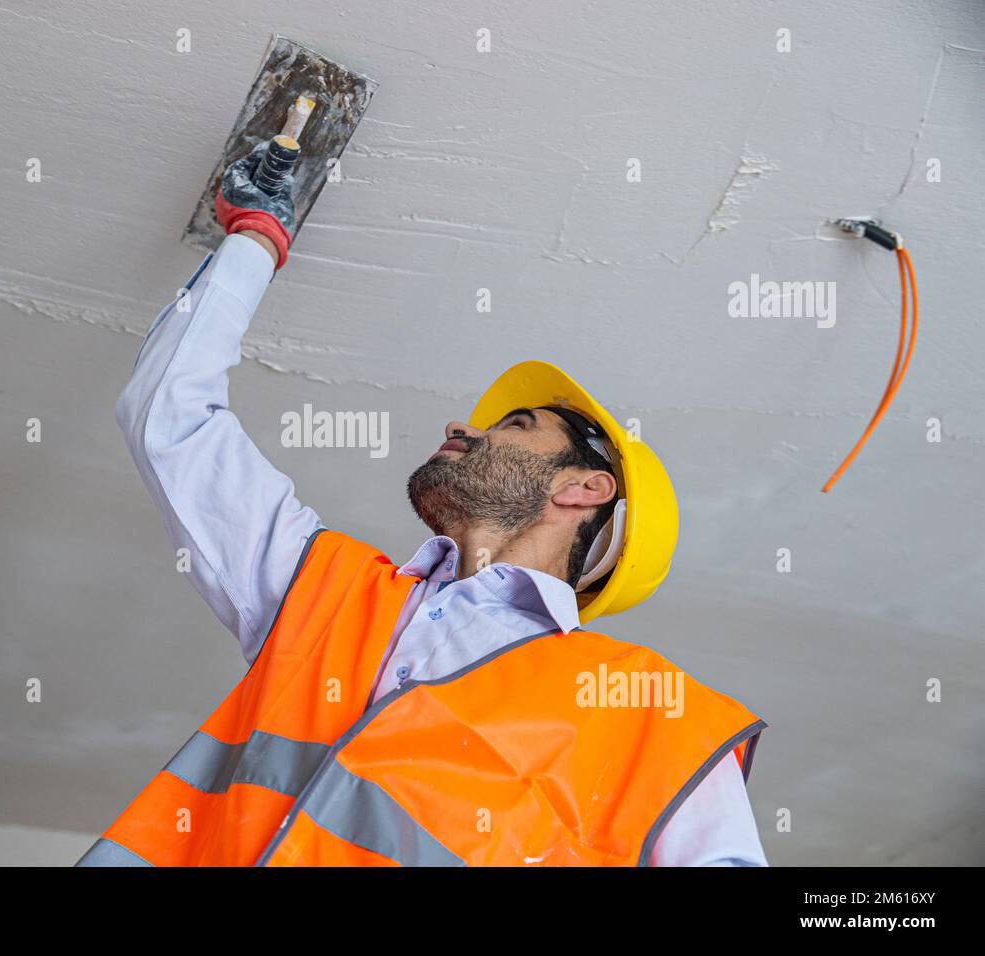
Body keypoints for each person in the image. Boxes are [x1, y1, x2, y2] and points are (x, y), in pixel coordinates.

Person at [78, 144, 767, 866]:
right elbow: (171, 419)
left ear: (584, 489)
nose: (460, 429)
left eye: (515, 426)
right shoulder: (325, 593)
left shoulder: (640, 705)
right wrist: (255, 239)